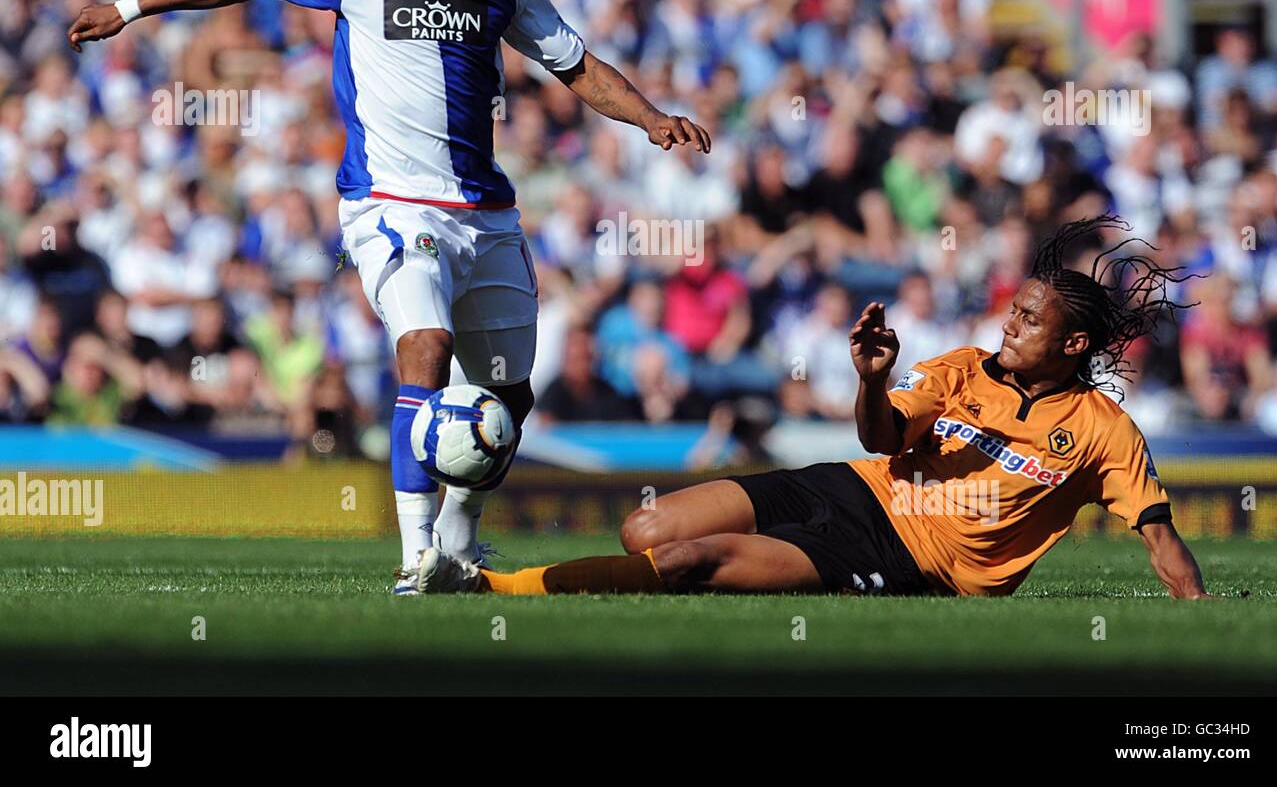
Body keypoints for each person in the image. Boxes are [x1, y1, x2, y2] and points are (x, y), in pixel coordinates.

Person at [68, 0, 709, 593]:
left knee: (509, 394)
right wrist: (128, 8)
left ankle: (460, 543)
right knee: (425, 346)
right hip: (390, 202)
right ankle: (415, 559)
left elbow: (578, 65)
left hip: (487, 210)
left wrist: (653, 119)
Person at [409, 216, 1212, 600]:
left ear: (1074, 346)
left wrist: (1200, 613)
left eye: (1031, 319)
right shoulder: (966, 368)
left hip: (918, 565)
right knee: (647, 531)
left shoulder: (1105, 433)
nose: (1010, 322)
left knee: (689, 564)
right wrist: (871, 378)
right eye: (1014, 308)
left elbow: (1163, 543)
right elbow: (884, 433)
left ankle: (488, 588)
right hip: (858, 486)